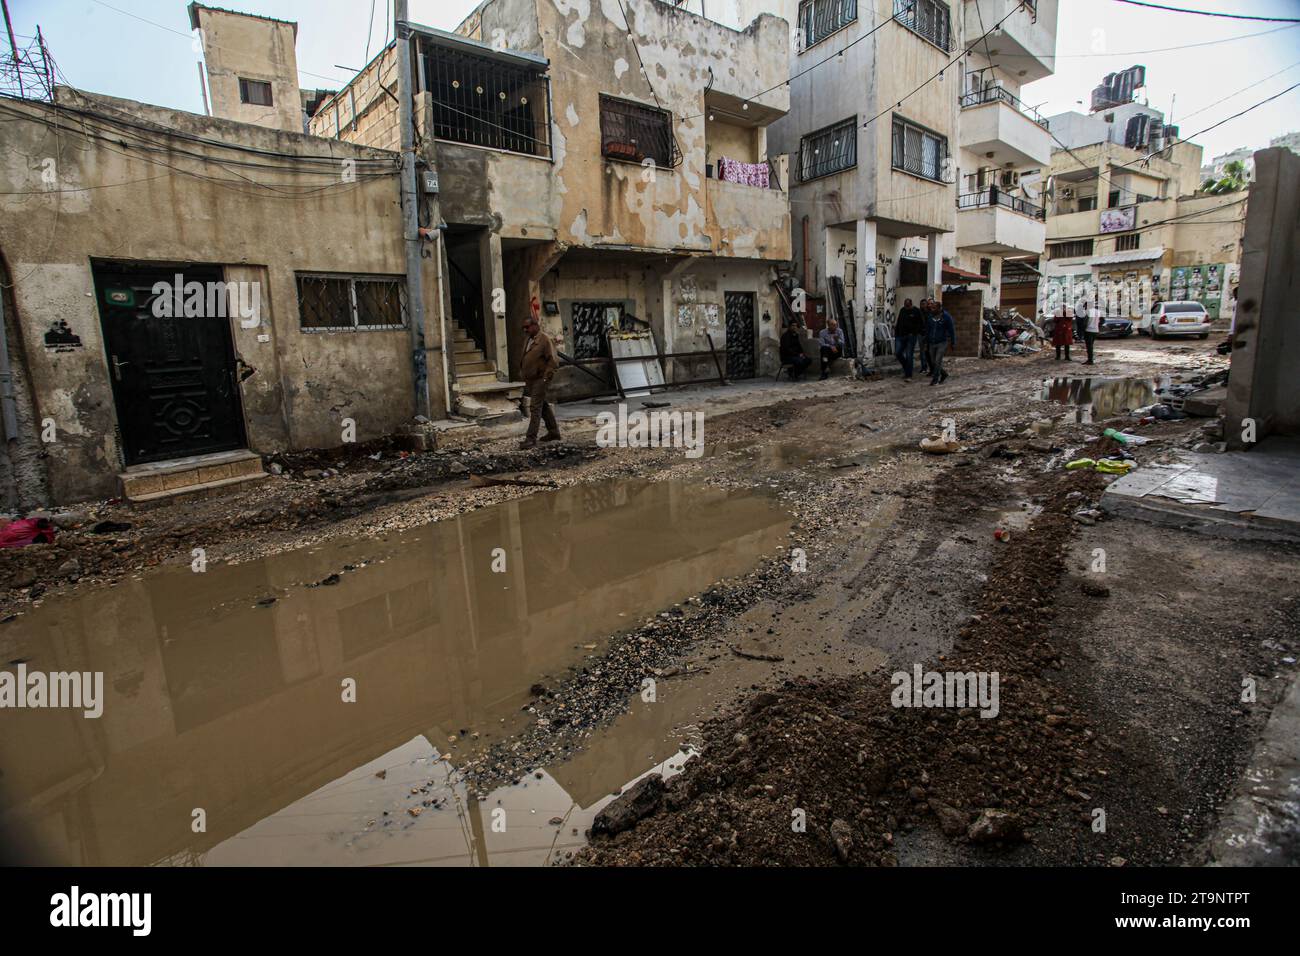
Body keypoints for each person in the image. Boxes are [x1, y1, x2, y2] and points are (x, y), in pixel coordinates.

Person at [519, 314, 560, 449]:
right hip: (530, 379)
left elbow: (553, 361)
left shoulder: (545, 340)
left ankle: (530, 438)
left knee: (535, 407)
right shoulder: (528, 340)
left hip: (540, 379)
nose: (525, 330)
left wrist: (545, 377)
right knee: (543, 406)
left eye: (528, 327)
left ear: (535, 326)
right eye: (524, 328)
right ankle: (553, 432)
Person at [925, 299, 956, 386]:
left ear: (939, 308)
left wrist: (953, 342)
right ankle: (944, 374)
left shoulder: (946, 317)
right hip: (931, 342)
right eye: (932, 308)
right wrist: (926, 342)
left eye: (934, 308)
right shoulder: (930, 317)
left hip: (942, 342)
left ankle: (935, 379)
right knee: (933, 362)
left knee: (938, 360)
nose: (932, 309)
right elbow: (928, 330)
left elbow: (951, 330)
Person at [894, 298, 925, 380]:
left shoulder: (916, 311)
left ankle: (909, 375)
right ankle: (907, 368)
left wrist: (914, 333)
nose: (906, 308)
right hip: (900, 336)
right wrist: (896, 333)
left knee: (909, 355)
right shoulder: (902, 310)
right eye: (905, 306)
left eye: (908, 306)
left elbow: (921, 323)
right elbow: (899, 322)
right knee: (898, 353)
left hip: (911, 337)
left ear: (911, 304)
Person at [1083, 301, 1101, 365]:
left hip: (1088, 330)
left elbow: (1084, 322)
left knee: (1089, 346)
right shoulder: (1098, 311)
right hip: (1095, 330)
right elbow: (1102, 320)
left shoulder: (1087, 312)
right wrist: (1098, 326)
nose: (1084, 308)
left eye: (1085, 306)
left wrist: (1083, 329)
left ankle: (1090, 360)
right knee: (1091, 345)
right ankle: (1090, 359)